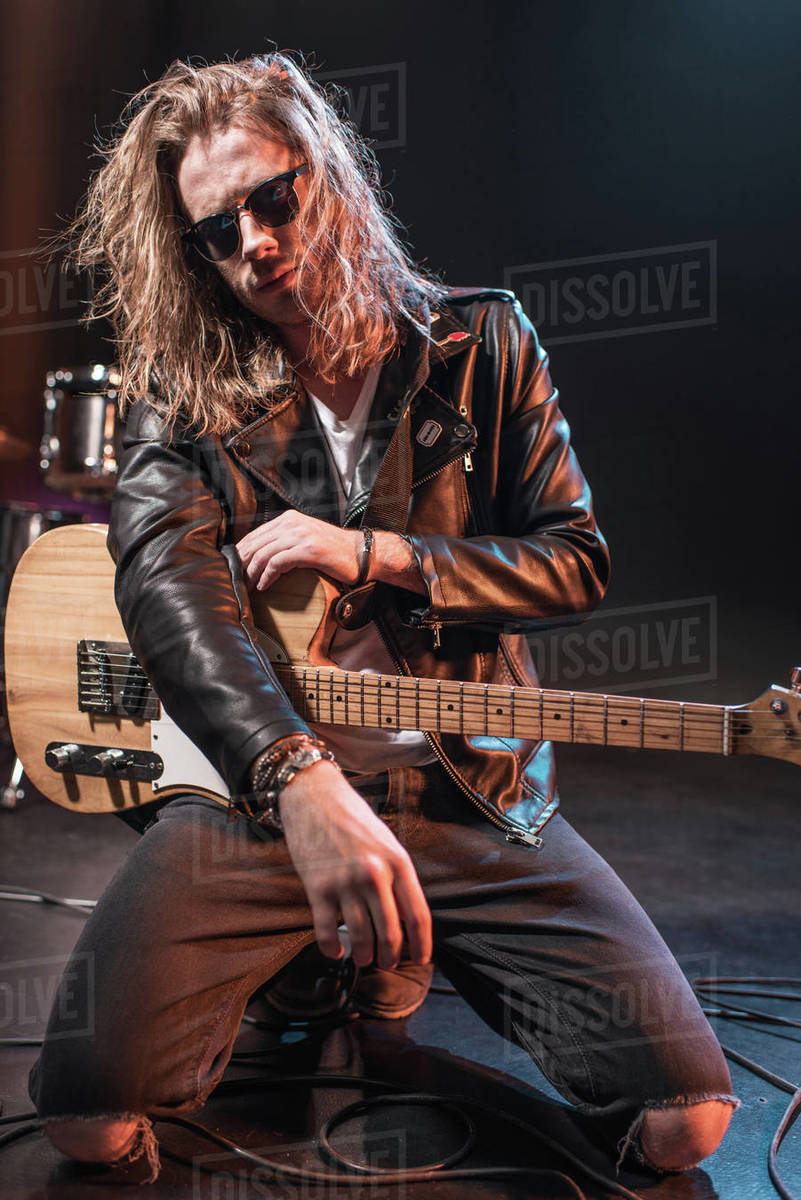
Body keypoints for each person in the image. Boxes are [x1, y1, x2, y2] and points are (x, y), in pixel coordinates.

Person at [30, 53, 738, 1181]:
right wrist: (297, 783)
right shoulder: (186, 388)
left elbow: (573, 561)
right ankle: (314, 962)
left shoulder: (484, 345)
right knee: (86, 1122)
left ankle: (390, 954)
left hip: (467, 786)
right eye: (217, 230)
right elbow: (167, 586)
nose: (256, 241)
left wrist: (379, 553)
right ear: (193, 255)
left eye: (275, 197)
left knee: (687, 1123)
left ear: (330, 177)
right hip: (260, 798)